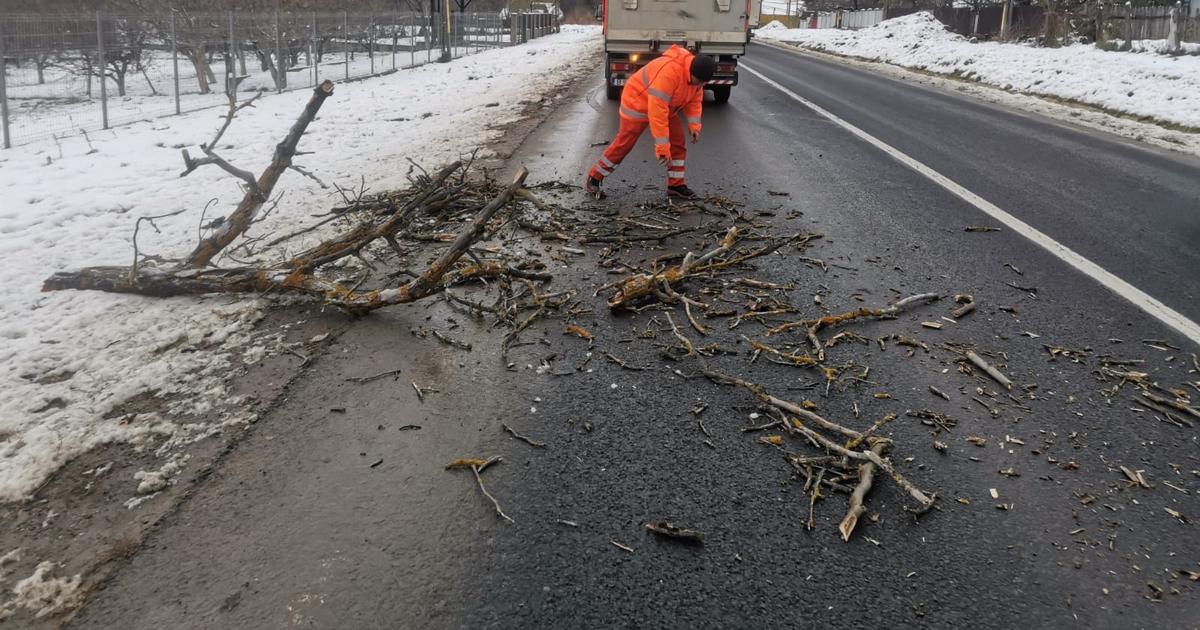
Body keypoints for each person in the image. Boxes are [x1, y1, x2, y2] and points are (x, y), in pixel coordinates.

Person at [585, 46, 716, 200]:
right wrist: (662, 147)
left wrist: (694, 125)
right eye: (698, 81)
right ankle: (595, 177)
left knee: (678, 143)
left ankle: (676, 185)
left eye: (702, 83)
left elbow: (694, 100)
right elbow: (657, 112)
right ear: (691, 72)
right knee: (624, 143)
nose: (699, 85)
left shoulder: (696, 81)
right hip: (637, 101)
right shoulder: (670, 73)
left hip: (664, 105)